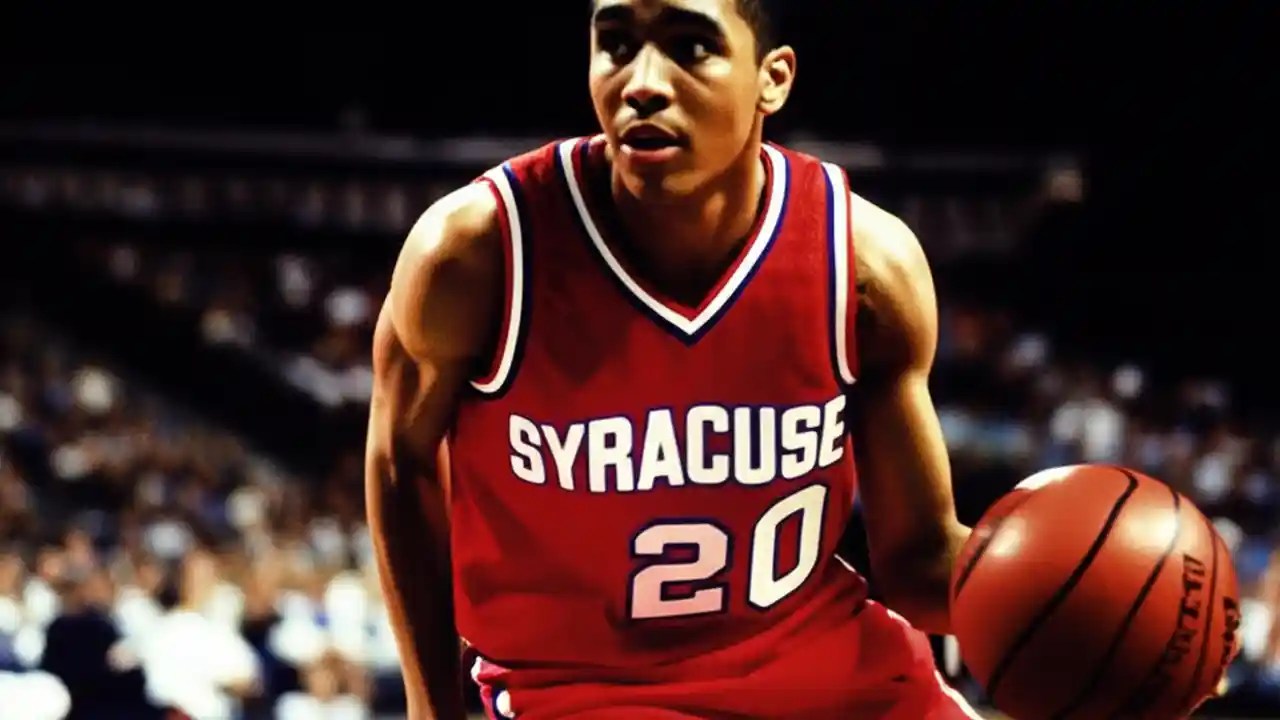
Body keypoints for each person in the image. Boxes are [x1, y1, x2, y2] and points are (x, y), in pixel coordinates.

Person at [366, 1, 977, 717]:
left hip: (833, 672)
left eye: (690, 48)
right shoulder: (478, 252)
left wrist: (1089, 607)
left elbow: (919, 563)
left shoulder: (864, 264)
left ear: (771, 80)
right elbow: (398, 460)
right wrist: (431, 708)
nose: (642, 82)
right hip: (583, 693)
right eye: (617, 44)